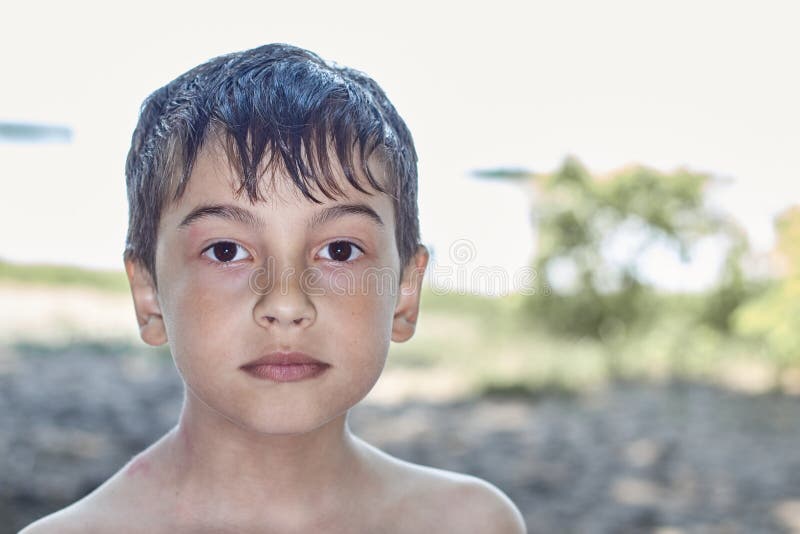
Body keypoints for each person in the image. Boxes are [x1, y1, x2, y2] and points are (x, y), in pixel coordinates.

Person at [20, 43, 526, 533]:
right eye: (225, 251)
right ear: (148, 295)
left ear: (406, 293)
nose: (286, 304)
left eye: (340, 250)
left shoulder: (473, 523)